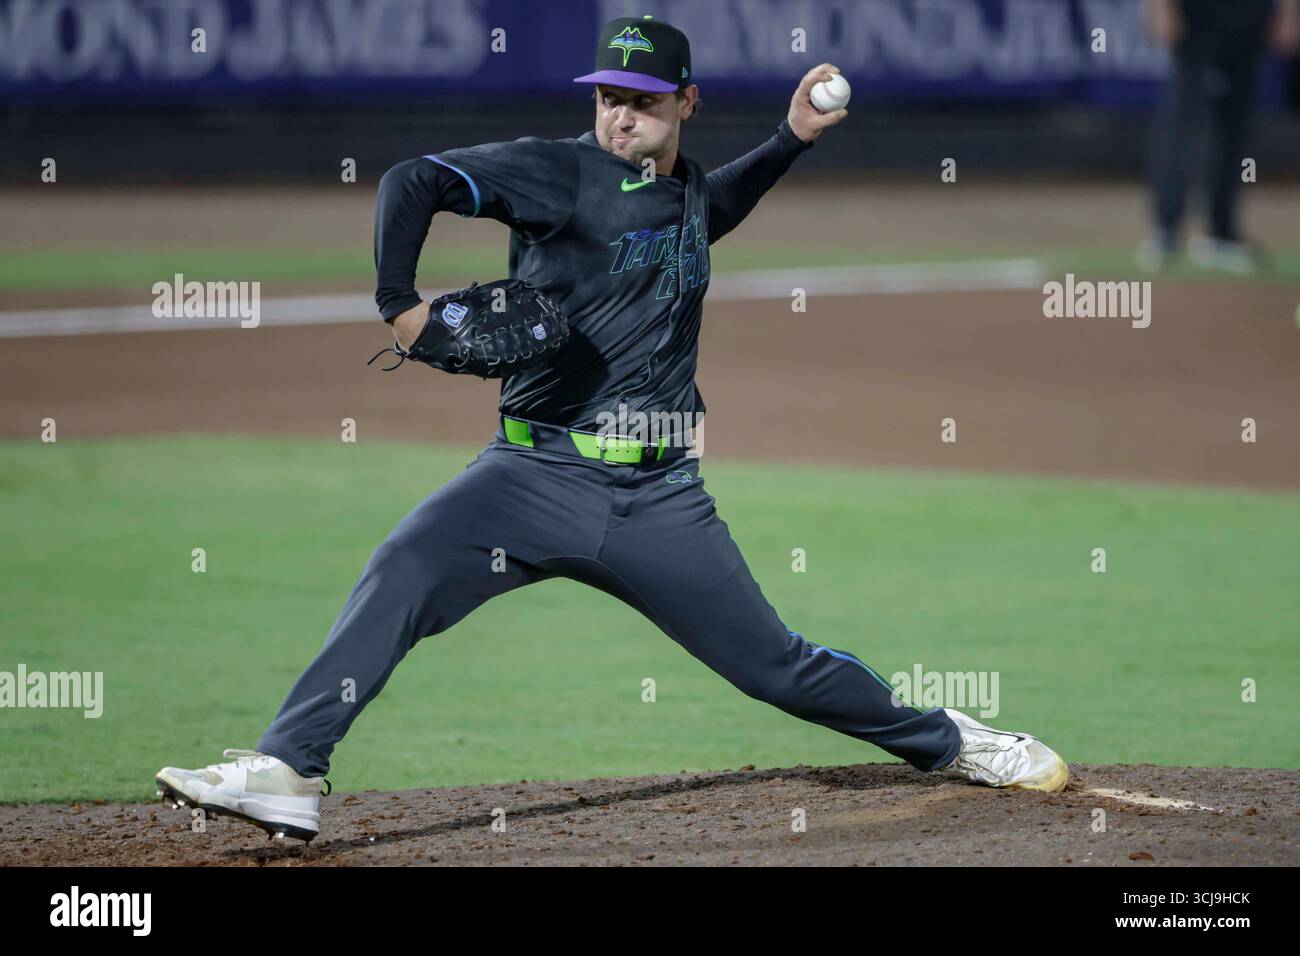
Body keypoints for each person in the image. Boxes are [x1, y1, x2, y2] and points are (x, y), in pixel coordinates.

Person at [155, 15, 1068, 843]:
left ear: (686, 102)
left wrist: (790, 139)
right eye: (609, 99)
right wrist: (400, 305)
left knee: (776, 668)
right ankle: (289, 769)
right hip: (527, 478)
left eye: (642, 101)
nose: (621, 117)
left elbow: (704, 213)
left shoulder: (682, 191)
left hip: (658, 499)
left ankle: (955, 741)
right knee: (400, 569)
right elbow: (415, 179)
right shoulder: (561, 171)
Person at [1141, 0, 1300, 272]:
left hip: (1249, 14)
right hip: (1195, 12)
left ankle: (1221, 231)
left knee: (1237, 123)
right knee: (1184, 120)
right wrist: (1160, 7)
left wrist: (1289, 12)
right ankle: (1166, 228)